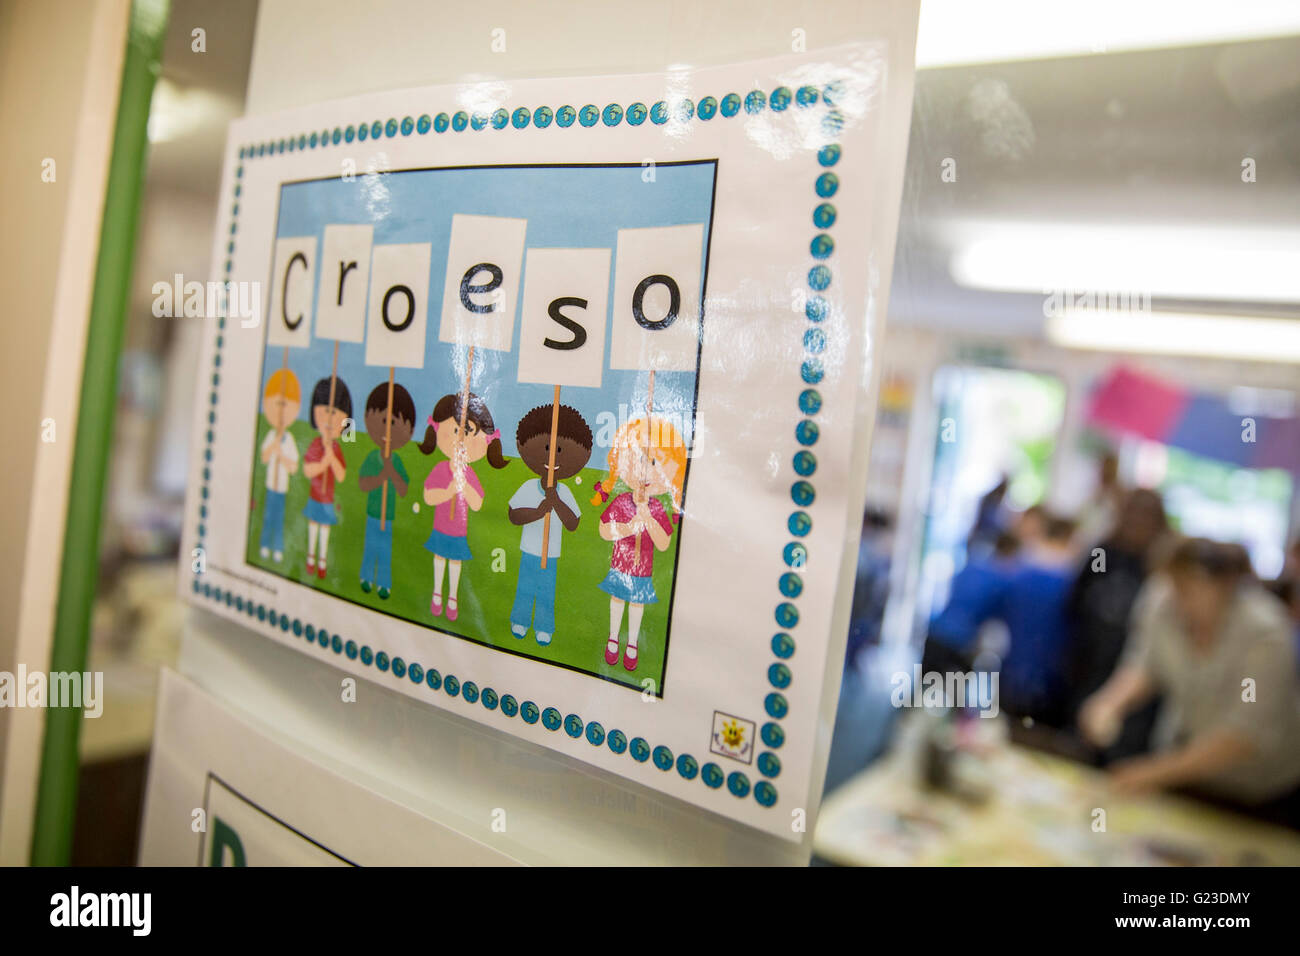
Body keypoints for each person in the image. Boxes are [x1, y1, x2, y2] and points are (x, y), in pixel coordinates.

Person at [1079, 538, 1300, 827]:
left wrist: (1151, 773)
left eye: (1188, 589)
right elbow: (1146, 666)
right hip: (1186, 774)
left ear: (1226, 586)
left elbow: (1244, 734)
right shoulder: (1163, 597)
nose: (1177, 598)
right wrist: (1108, 704)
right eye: (1174, 585)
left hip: (1259, 791)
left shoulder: (1266, 634)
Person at [1065, 488, 1169, 723]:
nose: (1138, 523)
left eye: (1146, 517)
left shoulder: (1158, 563)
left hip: (1134, 674)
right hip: (1089, 665)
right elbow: (1077, 599)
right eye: (1134, 514)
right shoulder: (1106, 552)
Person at [591, 417, 686, 672]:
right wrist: (625, 528)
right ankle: (613, 638)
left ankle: (631, 643)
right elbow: (603, 530)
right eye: (638, 459)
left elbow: (664, 543)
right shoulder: (622, 501)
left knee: (636, 603)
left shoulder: (657, 507)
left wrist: (647, 519)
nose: (645, 470)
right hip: (620, 565)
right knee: (617, 600)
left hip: (642, 569)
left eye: (654, 462)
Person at [507, 403, 592, 646]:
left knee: (546, 592)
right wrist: (538, 512)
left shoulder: (563, 492)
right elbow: (513, 515)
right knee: (525, 587)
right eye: (547, 448)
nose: (552, 458)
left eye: (559, 450)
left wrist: (557, 503)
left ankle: (544, 626)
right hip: (529, 552)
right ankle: (520, 620)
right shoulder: (527, 487)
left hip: (551, 555)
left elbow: (573, 523)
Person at [418, 392, 508, 622]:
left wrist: (463, 483)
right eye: (456, 430)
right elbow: (429, 497)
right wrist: (449, 489)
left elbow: (477, 504)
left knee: (455, 562)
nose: (461, 439)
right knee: (439, 558)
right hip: (440, 528)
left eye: (468, 432)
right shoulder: (441, 468)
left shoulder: (469, 474)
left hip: (458, 531)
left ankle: (453, 598)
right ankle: (437, 593)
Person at [356, 382, 415, 599]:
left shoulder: (396, 460)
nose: (387, 430)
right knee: (370, 547)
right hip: (373, 514)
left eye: (393, 423)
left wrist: (391, 470)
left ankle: (383, 583)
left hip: (387, 517)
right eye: (383, 421)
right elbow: (363, 484)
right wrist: (380, 477)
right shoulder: (373, 458)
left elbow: (402, 489)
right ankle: (365, 577)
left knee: (385, 551)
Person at [301, 377, 350, 580]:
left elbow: (341, 476)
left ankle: (322, 561)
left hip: (328, 500)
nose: (330, 419)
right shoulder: (315, 444)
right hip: (315, 498)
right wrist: (322, 463)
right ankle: (311, 558)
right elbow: (307, 470)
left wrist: (332, 459)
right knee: (313, 527)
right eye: (325, 411)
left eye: (335, 413)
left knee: (325, 530)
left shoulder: (336, 449)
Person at [257, 368, 300, 563]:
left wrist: (282, 454)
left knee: (279, 520)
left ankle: (277, 548)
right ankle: (265, 544)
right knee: (268, 518)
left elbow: (293, 467)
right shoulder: (271, 435)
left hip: (282, 488)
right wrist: (273, 446)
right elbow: (264, 458)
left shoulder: (289, 439)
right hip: (270, 486)